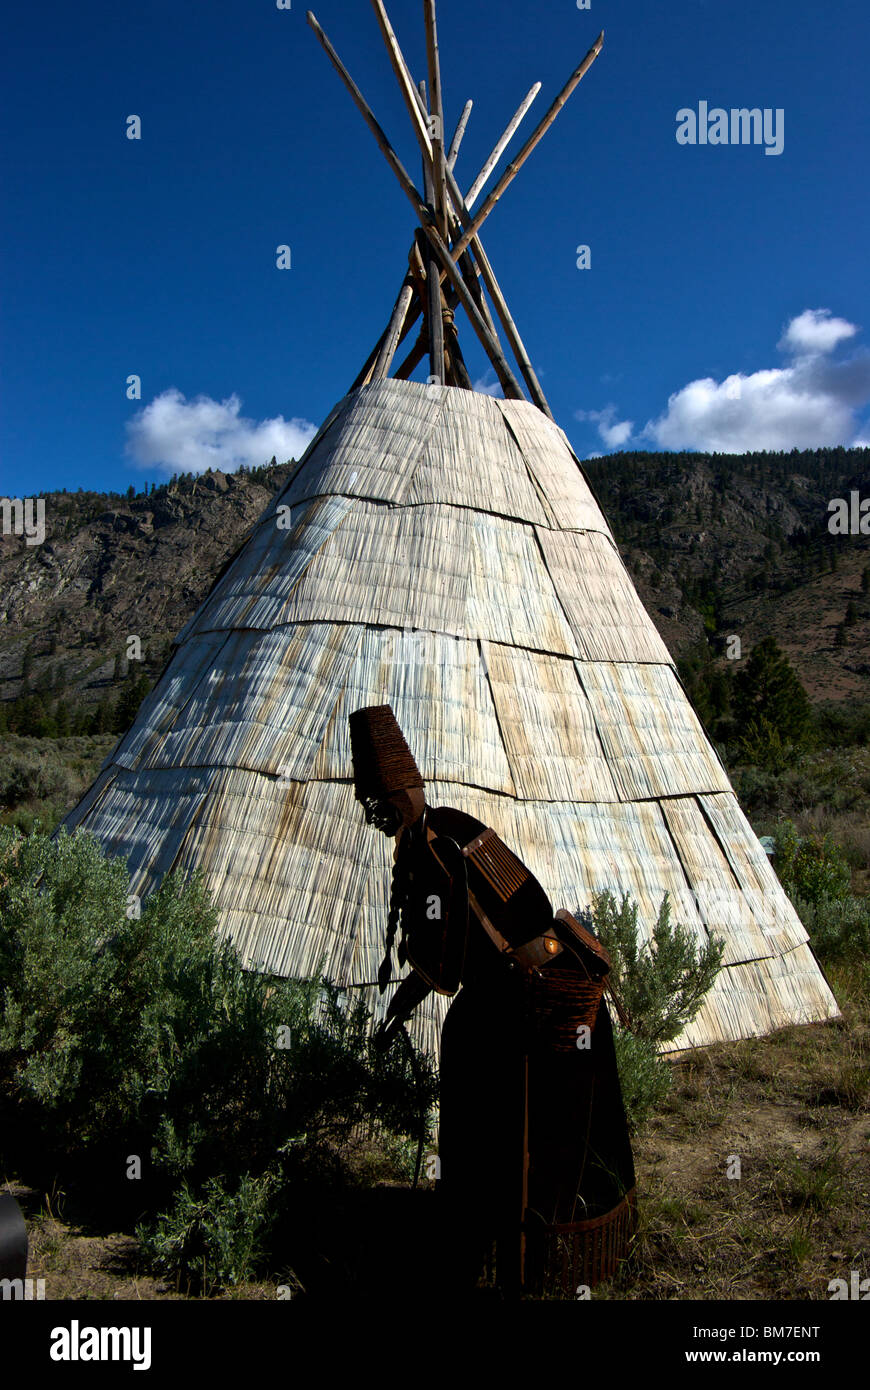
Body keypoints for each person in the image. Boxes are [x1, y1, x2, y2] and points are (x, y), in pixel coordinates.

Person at [349, 704, 636, 1297]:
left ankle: (510, 1254)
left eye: (382, 803)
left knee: (512, 1121)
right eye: (371, 806)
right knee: (573, 1131)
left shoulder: (431, 852)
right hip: (563, 978)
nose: (377, 816)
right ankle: (543, 1250)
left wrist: (401, 1007)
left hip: (534, 1000)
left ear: (402, 795)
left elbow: (446, 966)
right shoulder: (451, 822)